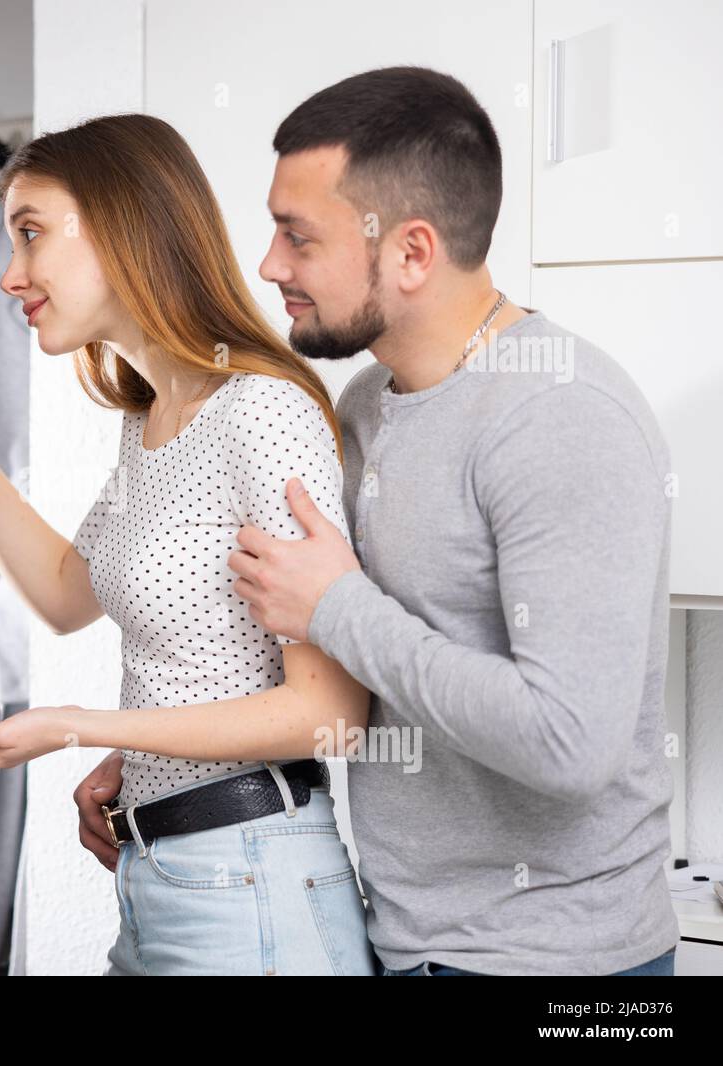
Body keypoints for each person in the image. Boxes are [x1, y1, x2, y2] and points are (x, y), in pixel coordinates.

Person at [0, 114, 376, 976]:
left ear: (122, 225)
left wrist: (80, 728)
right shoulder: (152, 421)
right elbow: (62, 592)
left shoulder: (262, 413)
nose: (11, 276)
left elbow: (331, 715)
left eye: (32, 235)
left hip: (254, 884)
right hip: (160, 876)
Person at [227, 67, 678, 976]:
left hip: (565, 971)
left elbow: (568, 742)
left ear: (412, 253)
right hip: (404, 943)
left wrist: (340, 608)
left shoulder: (561, 415)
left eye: (297, 236)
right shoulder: (363, 405)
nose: (271, 264)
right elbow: (343, 687)